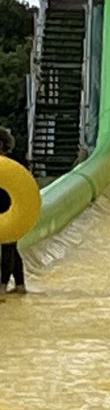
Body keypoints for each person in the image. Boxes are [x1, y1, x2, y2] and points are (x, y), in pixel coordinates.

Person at [0, 127, 26, 296]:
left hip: (10, 209)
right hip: (11, 208)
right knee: (12, 249)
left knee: (8, 248)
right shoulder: (17, 162)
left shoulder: (13, 164)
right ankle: (20, 284)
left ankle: (2, 286)